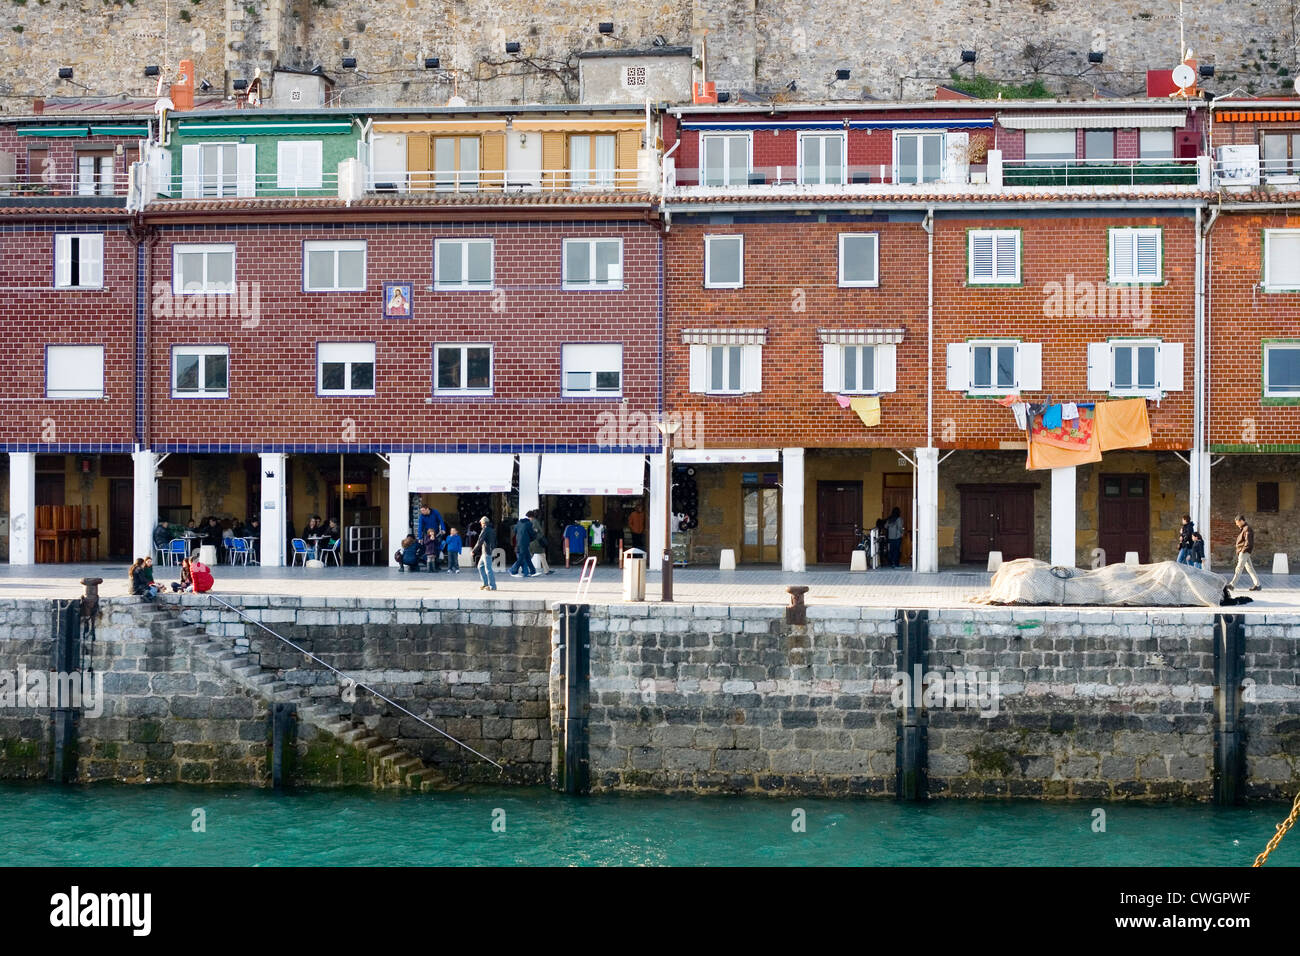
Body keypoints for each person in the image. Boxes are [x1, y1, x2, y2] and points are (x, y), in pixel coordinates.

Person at [1228, 514, 1261, 591]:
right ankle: (1258, 585)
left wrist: (1243, 551)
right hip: (1244, 551)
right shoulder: (1244, 528)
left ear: (1241, 521)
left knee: (1239, 568)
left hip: (1244, 552)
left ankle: (1232, 585)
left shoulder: (1247, 529)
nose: (1236, 524)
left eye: (1237, 522)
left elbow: (1248, 542)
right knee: (1250, 569)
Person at [474, 516, 497, 591]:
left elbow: (480, 540)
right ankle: (485, 584)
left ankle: (492, 586)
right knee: (480, 566)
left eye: (481, 522)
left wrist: (474, 551)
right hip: (487, 551)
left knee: (488, 569)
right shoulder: (491, 529)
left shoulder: (485, 529)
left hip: (487, 551)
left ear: (483, 523)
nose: (480, 523)